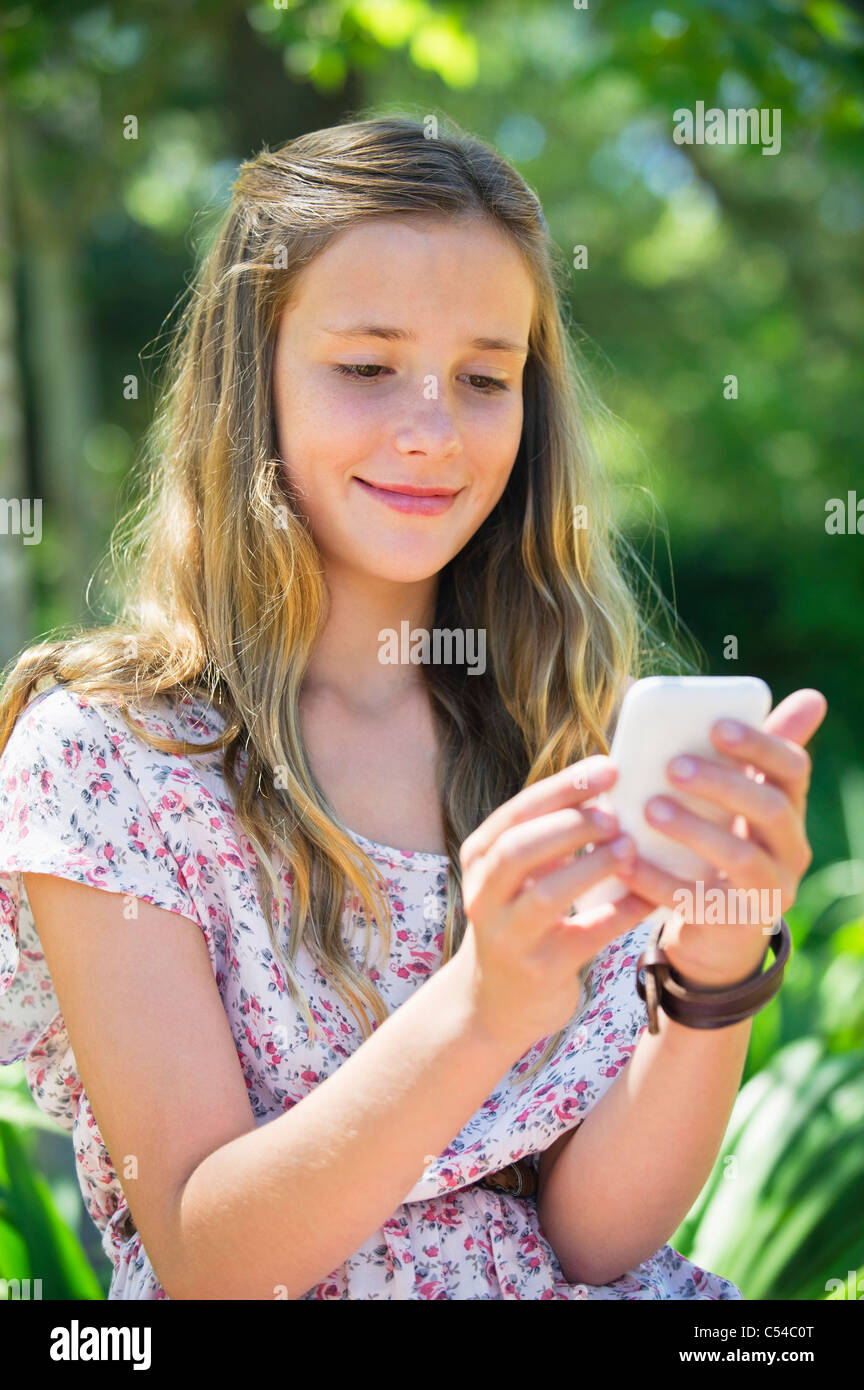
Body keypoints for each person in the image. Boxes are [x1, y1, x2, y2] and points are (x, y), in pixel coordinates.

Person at [0, 113, 825, 1300]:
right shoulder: (109, 759)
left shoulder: (563, 728)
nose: (434, 431)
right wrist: (481, 1010)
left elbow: (596, 1241)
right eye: (367, 367)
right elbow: (210, 1259)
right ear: (251, 383)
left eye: (486, 377)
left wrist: (720, 942)